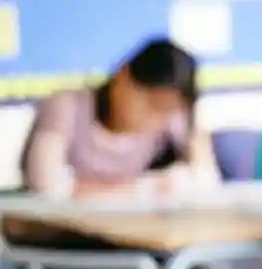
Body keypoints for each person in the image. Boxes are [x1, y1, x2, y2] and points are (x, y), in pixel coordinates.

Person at [21, 38, 217, 198]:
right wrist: (143, 188)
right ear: (122, 77)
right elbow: (45, 185)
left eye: (166, 110)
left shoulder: (170, 119)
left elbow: (206, 181)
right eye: (151, 103)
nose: (155, 117)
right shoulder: (66, 106)